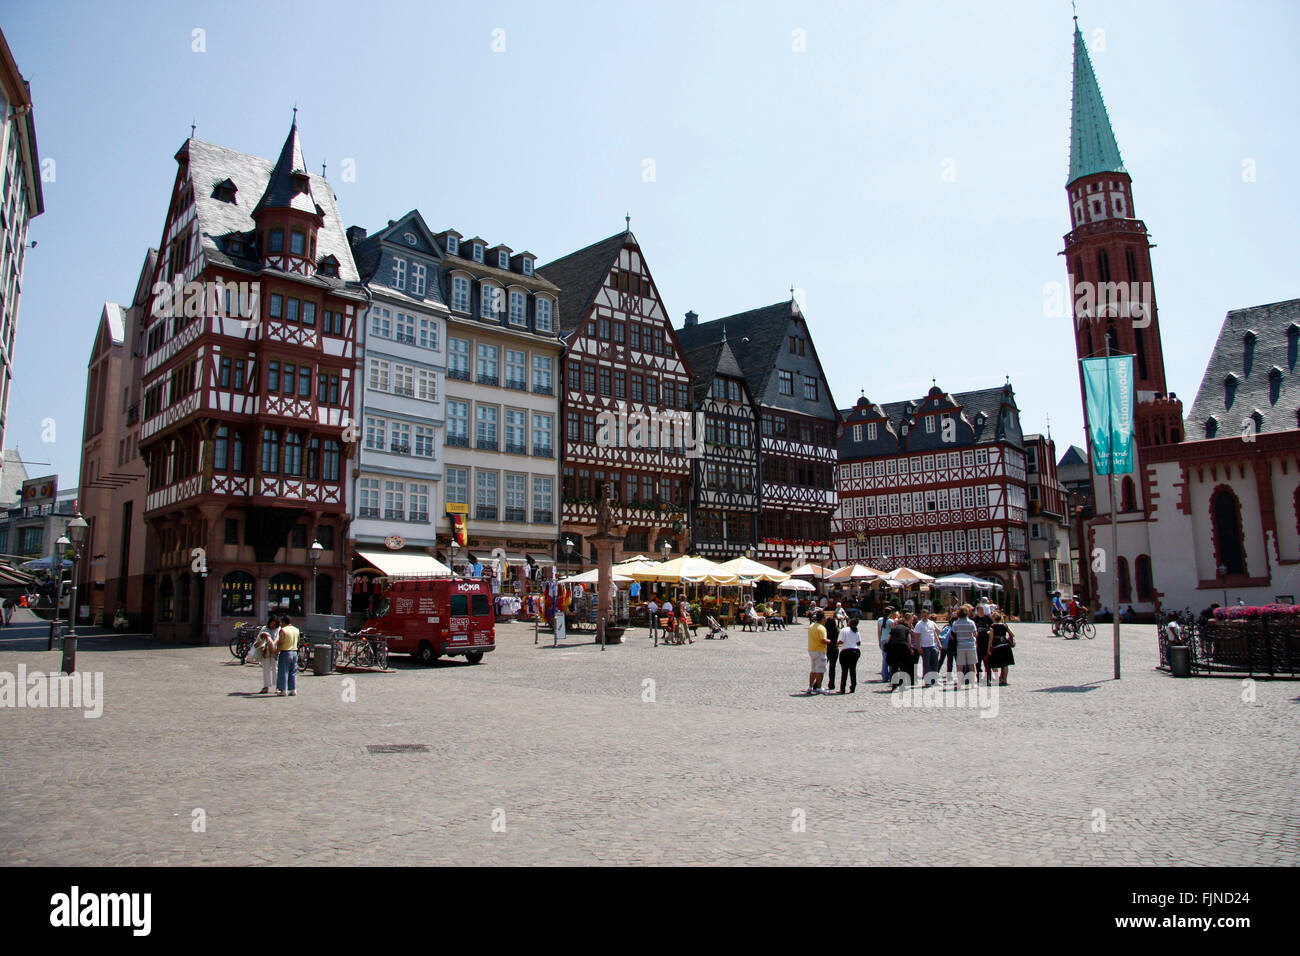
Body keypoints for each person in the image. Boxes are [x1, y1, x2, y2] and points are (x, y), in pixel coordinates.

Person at [949, 605, 979, 686]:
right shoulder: (971, 622)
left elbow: (952, 635)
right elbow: (975, 634)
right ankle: (973, 683)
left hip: (960, 646)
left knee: (960, 665)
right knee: (971, 665)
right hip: (970, 646)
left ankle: (959, 682)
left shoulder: (955, 623)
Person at [912, 607, 941, 686]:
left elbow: (936, 632)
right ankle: (927, 681)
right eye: (923, 615)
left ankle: (935, 680)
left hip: (933, 646)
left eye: (925, 615)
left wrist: (938, 643)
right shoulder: (919, 624)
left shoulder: (932, 623)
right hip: (924, 647)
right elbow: (917, 637)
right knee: (926, 665)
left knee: (935, 664)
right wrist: (919, 647)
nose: (924, 617)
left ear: (928, 615)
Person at [886, 612, 915, 689]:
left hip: (894, 648)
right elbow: (909, 640)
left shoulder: (894, 628)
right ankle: (902, 685)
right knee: (903, 666)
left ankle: (894, 685)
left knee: (894, 666)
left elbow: (888, 640)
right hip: (903, 648)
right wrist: (911, 649)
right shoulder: (907, 629)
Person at [987, 612, 1016, 686]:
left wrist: (988, 648)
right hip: (1005, 646)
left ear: (993, 619)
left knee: (994, 664)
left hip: (997, 647)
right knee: (1005, 664)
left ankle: (997, 680)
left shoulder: (992, 627)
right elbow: (1012, 634)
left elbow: (991, 638)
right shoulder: (1005, 625)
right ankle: (1004, 680)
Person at [805, 610, 830, 695]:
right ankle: (819, 687)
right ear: (822, 618)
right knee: (820, 670)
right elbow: (823, 640)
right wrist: (829, 641)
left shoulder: (812, 626)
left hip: (811, 649)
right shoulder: (822, 628)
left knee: (813, 669)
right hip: (820, 650)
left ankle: (810, 687)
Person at [255, 614, 280, 694]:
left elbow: (278, 639)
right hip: (265, 651)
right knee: (266, 669)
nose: (272, 625)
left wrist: (274, 644)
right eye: (271, 623)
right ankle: (266, 686)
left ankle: (277, 687)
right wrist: (264, 636)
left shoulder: (278, 629)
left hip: (275, 651)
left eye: (274, 623)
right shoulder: (264, 628)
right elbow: (259, 639)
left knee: (275, 669)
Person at [276, 614, 300, 697]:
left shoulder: (283, 630)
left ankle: (283, 690)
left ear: (283, 622)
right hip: (294, 652)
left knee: (283, 671)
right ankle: (293, 689)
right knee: (293, 672)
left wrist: (277, 652)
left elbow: (280, 642)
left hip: (285, 652)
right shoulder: (296, 630)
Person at [837, 618, 862, 693]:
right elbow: (859, 643)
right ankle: (853, 687)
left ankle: (842, 688)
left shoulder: (844, 630)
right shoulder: (856, 631)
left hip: (846, 651)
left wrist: (837, 644)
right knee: (853, 670)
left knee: (844, 671)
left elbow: (841, 641)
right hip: (855, 651)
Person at [973, 603, 994, 684]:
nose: (982, 612)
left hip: (986, 643)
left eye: (983, 610)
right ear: (977, 611)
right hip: (977, 644)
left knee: (987, 662)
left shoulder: (988, 619)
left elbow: (992, 628)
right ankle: (979, 677)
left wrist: (990, 632)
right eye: (980, 610)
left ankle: (988, 678)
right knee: (978, 662)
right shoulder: (974, 620)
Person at [877, 605, 895, 683]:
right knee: (891, 659)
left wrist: (879, 641)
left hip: (883, 640)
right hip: (890, 641)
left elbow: (879, 632)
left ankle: (884, 676)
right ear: (890, 613)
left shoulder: (879, 620)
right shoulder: (891, 621)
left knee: (884, 659)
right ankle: (891, 676)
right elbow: (892, 632)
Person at [824, 609, 841, 690]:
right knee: (832, 667)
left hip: (826, 649)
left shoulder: (825, 631)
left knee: (823, 667)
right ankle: (831, 684)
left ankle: (817, 683)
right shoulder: (837, 630)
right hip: (834, 649)